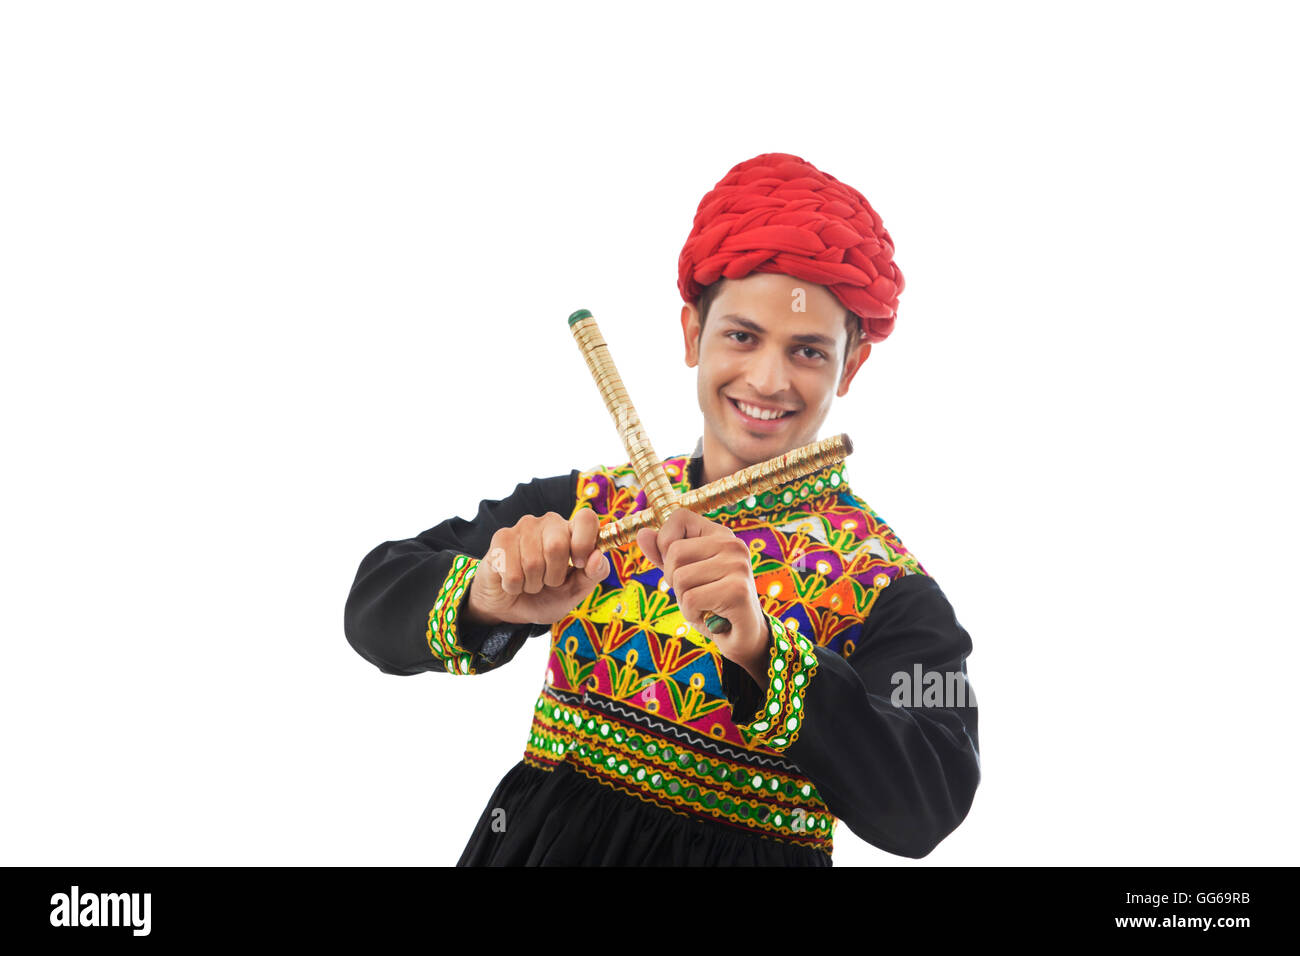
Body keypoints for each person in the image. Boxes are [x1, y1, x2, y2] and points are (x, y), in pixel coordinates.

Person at [344, 152, 981, 865]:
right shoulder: (585, 505)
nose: (768, 380)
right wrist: (487, 596)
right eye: (741, 336)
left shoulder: (884, 585)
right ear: (691, 334)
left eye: (807, 350)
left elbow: (932, 798)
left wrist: (765, 653)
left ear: (850, 366)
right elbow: (372, 605)